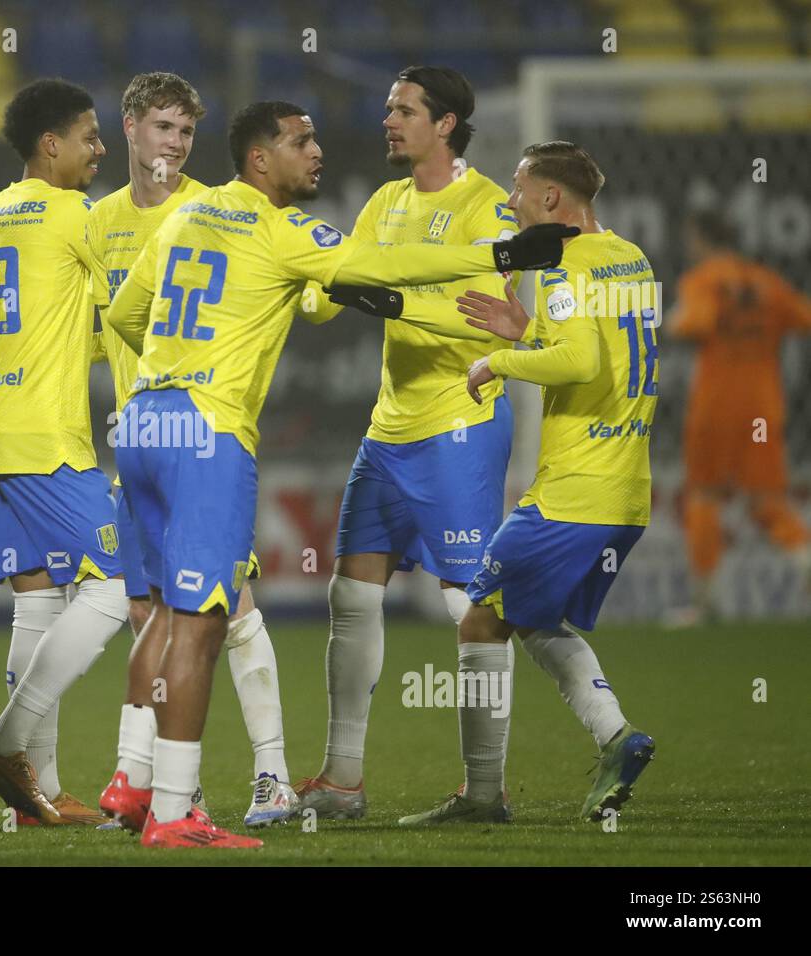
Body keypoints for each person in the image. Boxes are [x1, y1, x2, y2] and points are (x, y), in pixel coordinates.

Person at [106, 100, 574, 848]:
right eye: (300, 142)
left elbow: (127, 317)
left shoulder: (183, 219)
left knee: (160, 611)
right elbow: (393, 267)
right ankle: (172, 813)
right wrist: (506, 257)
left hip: (141, 424)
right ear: (261, 160)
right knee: (202, 623)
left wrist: (188, 353)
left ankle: (131, 781)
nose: (317, 152)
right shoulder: (284, 229)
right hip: (207, 432)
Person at [397, 141, 658, 825]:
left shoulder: (566, 261)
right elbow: (592, 343)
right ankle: (614, 737)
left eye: (518, 189)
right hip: (626, 487)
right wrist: (528, 328)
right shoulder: (630, 256)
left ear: (551, 200)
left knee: (483, 614)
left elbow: (578, 358)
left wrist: (500, 362)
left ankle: (488, 794)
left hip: (577, 488)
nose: (509, 202)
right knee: (528, 615)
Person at [293, 66, 524, 820]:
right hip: (390, 429)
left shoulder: (488, 206)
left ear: (447, 123)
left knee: (472, 605)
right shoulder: (387, 201)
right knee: (353, 592)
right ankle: (343, 779)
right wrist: (296, 277)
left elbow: (492, 322)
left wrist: (392, 299)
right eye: (388, 108)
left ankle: (486, 790)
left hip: (459, 422)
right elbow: (332, 293)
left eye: (404, 110)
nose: (388, 120)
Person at [88, 72, 299, 831]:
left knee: (225, 612)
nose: (174, 145)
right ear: (130, 128)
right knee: (155, 615)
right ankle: (143, 783)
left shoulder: (216, 209)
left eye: (185, 132)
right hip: (143, 436)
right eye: (163, 128)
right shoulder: (98, 221)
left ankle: (260, 773)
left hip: (196, 435)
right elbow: (106, 320)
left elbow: (299, 289)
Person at [0, 79, 129, 826]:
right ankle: (7, 740)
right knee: (119, 584)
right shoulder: (74, 215)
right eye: (91, 137)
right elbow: (124, 305)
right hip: (43, 434)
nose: (101, 149)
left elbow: (54, 328)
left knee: (38, 600)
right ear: (51, 145)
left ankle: (42, 795)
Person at [668, 210, 811, 625]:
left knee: (705, 495)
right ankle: (804, 555)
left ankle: (706, 600)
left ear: (701, 239)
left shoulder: (702, 280)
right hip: (763, 407)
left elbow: (694, 322)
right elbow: (804, 319)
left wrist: (672, 320)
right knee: (766, 498)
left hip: (716, 405)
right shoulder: (766, 282)